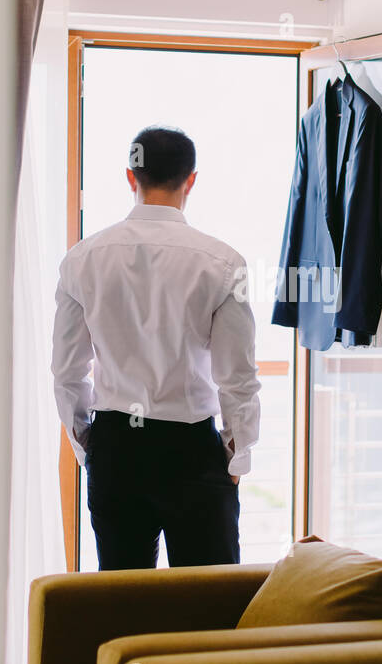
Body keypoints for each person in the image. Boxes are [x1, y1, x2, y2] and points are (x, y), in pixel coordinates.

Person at [51, 126, 260, 569]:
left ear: (131, 177)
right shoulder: (224, 263)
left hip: (116, 448)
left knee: (125, 602)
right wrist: (237, 453)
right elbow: (236, 377)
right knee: (210, 603)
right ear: (192, 180)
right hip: (192, 450)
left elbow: (67, 371)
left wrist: (89, 444)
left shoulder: (82, 258)